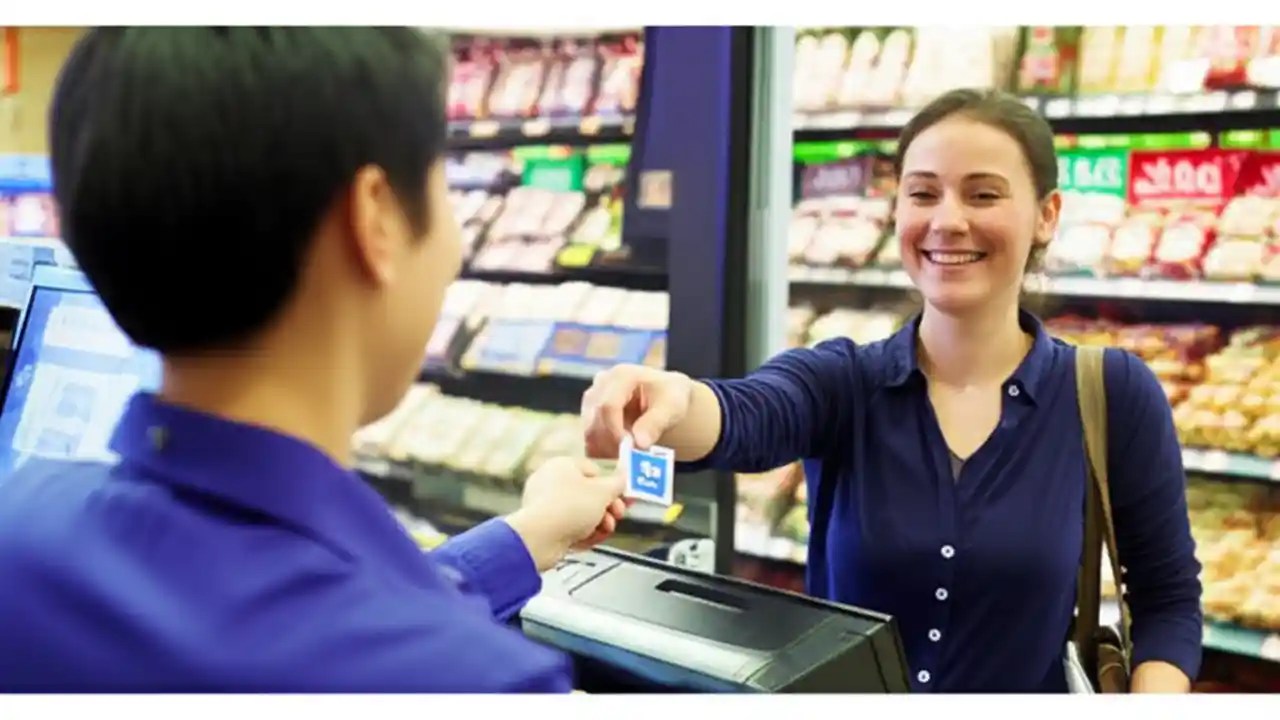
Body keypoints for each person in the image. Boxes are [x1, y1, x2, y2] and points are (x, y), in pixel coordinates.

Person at [0, 28, 627, 692]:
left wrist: (524, 537)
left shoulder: (22, 527)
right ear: (375, 216)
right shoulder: (480, 683)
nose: (453, 249)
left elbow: (297, 612)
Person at [583, 88, 1203, 694]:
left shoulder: (1111, 393)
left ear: (1047, 214)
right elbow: (746, 414)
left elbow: (1167, 600)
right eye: (923, 193)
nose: (948, 221)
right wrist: (668, 399)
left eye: (983, 194)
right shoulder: (843, 383)